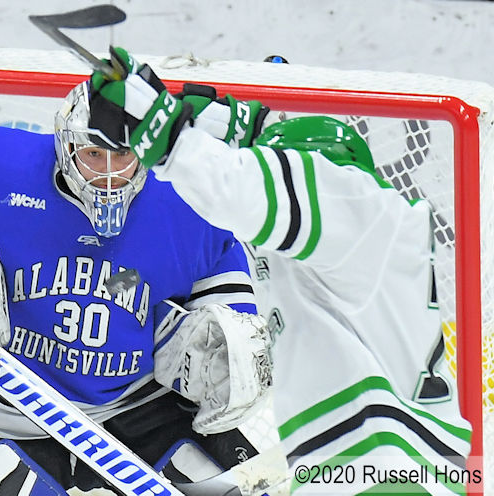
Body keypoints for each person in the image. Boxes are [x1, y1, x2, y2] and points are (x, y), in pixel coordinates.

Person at [85, 47, 474, 495]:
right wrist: (225, 125)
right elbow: (268, 157)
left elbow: (244, 190)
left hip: (387, 473)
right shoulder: (352, 236)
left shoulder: (349, 196)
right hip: (378, 470)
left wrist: (164, 130)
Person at [0, 78, 273, 495]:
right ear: (65, 147)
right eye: (92, 154)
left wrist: (225, 348)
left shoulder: (188, 199)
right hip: (10, 405)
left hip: (141, 404)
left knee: (254, 488)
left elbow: (229, 300)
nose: (107, 174)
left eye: (122, 155)